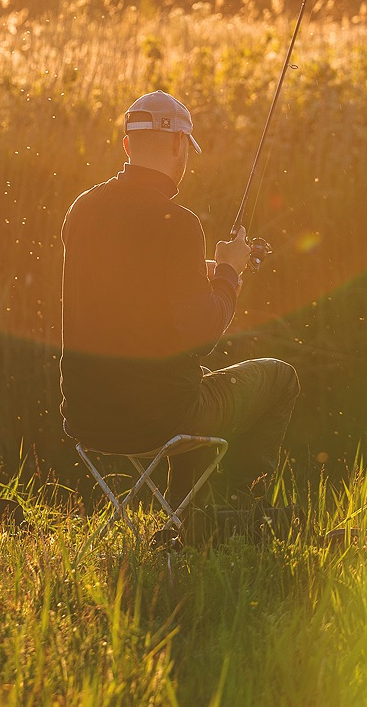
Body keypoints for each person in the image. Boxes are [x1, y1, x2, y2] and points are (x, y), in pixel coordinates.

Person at [60, 89, 299, 510]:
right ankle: (238, 509)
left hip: (87, 417)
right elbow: (201, 334)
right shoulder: (180, 224)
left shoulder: (83, 209)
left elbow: (124, 283)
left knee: (192, 378)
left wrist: (201, 268)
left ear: (128, 145)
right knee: (279, 378)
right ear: (178, 146)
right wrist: (228, 273)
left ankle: (191, 515)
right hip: (159, 420)